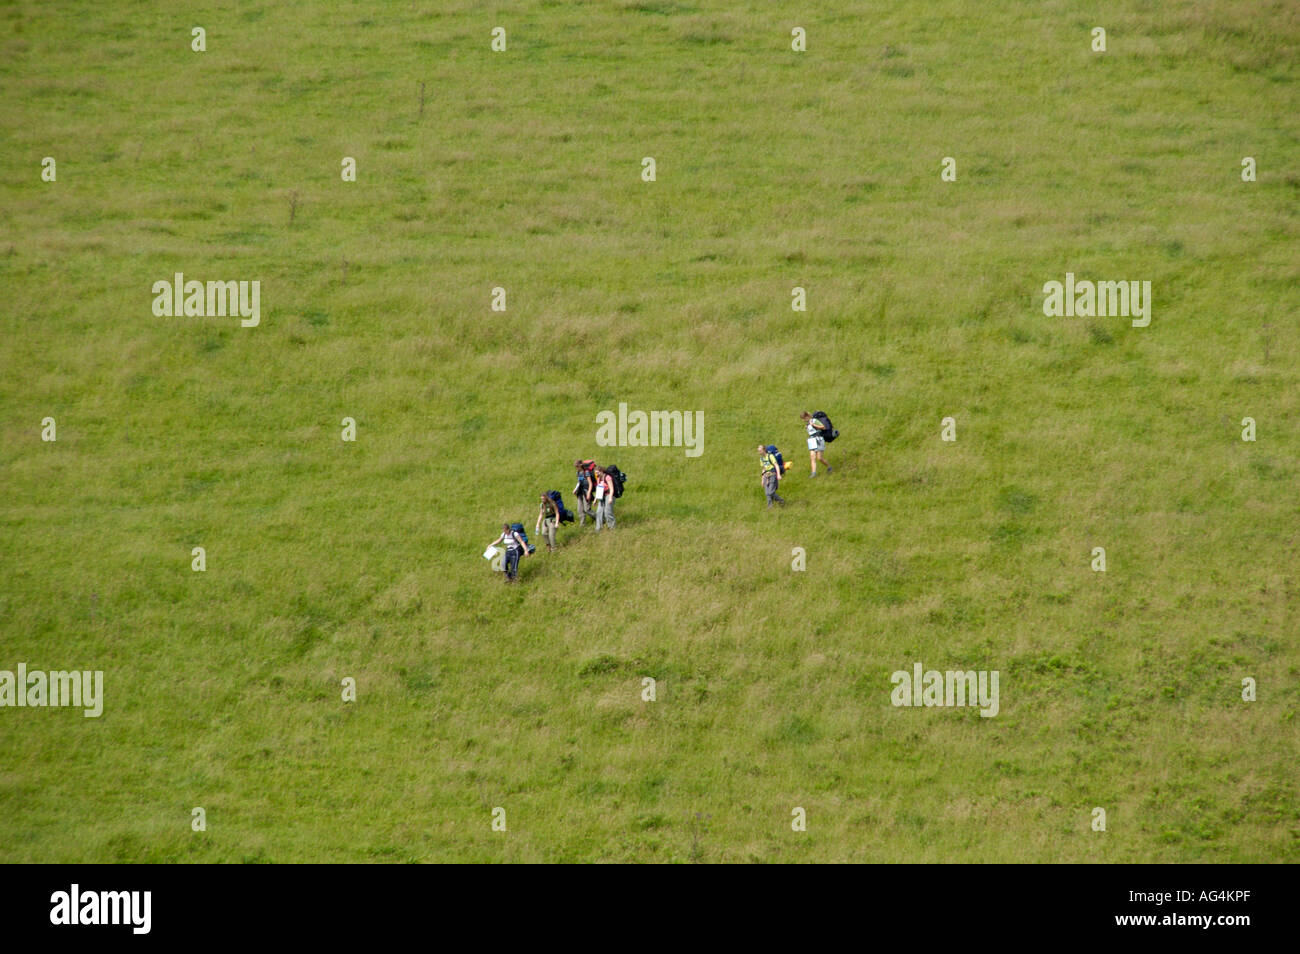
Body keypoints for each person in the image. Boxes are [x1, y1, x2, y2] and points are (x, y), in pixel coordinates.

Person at [801, 411, 833, 477]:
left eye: (804, 418)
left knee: (819, 458)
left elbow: (823, 427)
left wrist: (814, 425)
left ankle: (829, 466)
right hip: (812, 440)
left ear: (807, 417)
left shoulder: (814, 420)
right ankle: (813, 473)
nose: (803, 420)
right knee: (812, 457)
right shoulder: (808, 424)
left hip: (818, 439)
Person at [573, 459, 596, 526]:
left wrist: (589, 493)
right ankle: (582, 524)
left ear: (581, 465)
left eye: (577, 466)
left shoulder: (586, 472)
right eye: (575, 467)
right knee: (580, 510)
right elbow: (579, 482)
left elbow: (590, 483)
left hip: (586, 492)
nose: (576, 468)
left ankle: (599, 519)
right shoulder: (578, 473)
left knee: (587, 510)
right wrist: (575, 489)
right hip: (580, 492)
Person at [593, 465, 616, 530]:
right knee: (599, 512)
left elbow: (611, 488)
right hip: (601, 496)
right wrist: (595, 500)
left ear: (601, 471)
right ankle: (598, 529)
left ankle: (612, 528)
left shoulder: (607, 477)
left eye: (597, 473)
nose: (596, 474)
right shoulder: (598, 479)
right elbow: (599, 489)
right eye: (596, 473)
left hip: (609, 495)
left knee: (608, 512)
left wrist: (610, 498)